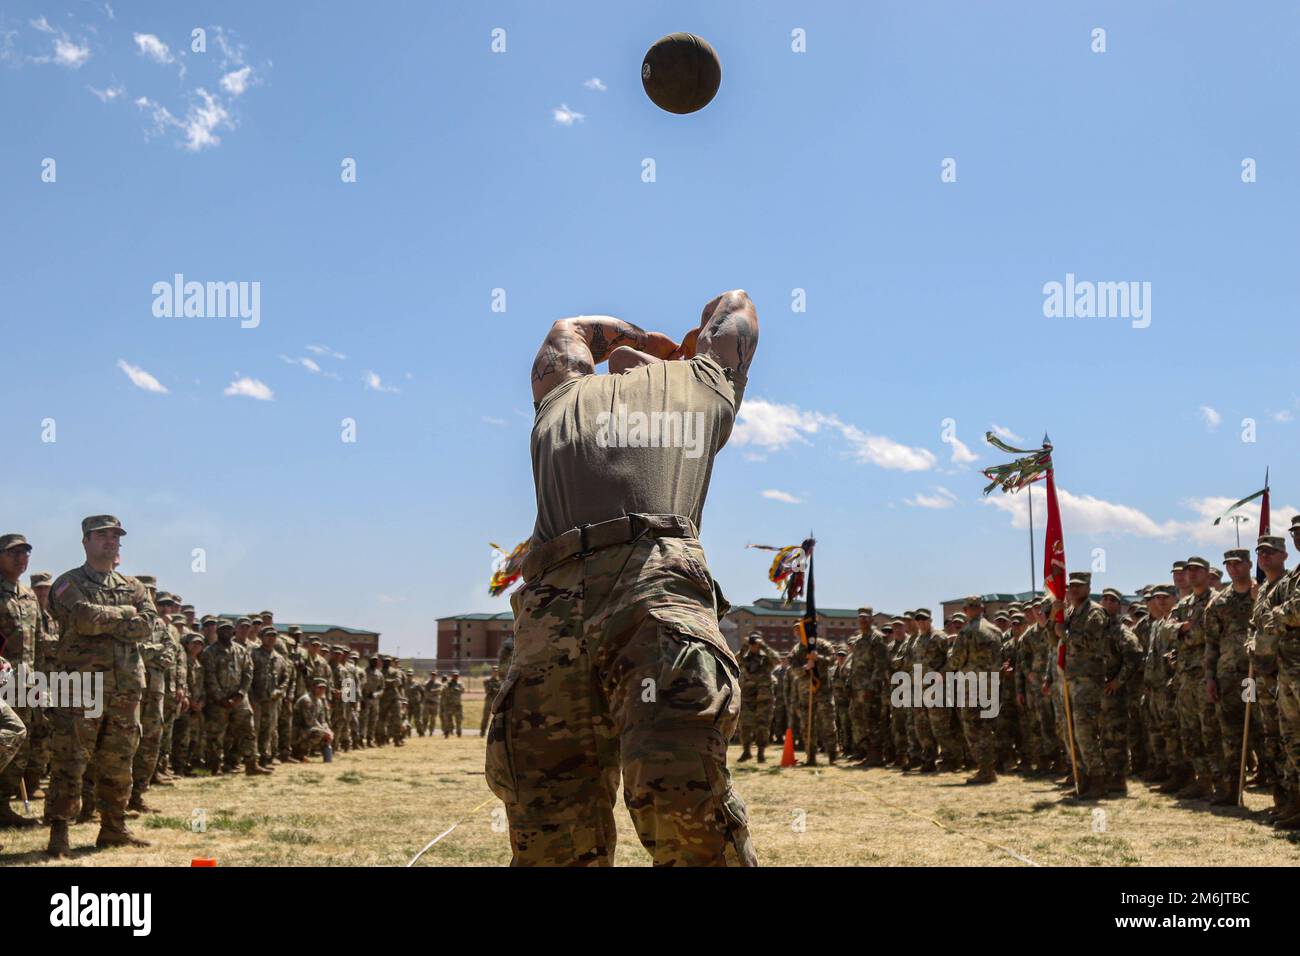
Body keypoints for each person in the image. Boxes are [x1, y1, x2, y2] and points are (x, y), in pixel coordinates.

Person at [486, 291, 758, 866]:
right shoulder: (564, 395)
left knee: (685, 807)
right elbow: (569, 328)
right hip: (552, 603)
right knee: (547, 822)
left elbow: (736, 305)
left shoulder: (702, 384)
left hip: (652, 582)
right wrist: (654, 343)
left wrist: (666, 353)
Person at [45, 516, 157, 856]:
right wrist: (125, 614)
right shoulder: (67, 583)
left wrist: (109, 618)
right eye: (102, 535)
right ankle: (60, 832)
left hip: (125, 688)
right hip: (81, 687)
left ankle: (113, 828)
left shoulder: (134, 586)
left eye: (115, 536)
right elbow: (83, 619)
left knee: (118, 760)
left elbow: (147, 625)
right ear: (85, 541)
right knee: (71, 759)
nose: (111, 541)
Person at [0, 533, 39, 828]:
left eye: (25, 552)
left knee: (20, 747)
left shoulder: (29, 596)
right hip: (1, 682)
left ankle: (4, 806)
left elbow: (35, 642)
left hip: (24, 683)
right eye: (13, 553)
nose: (20, 558)